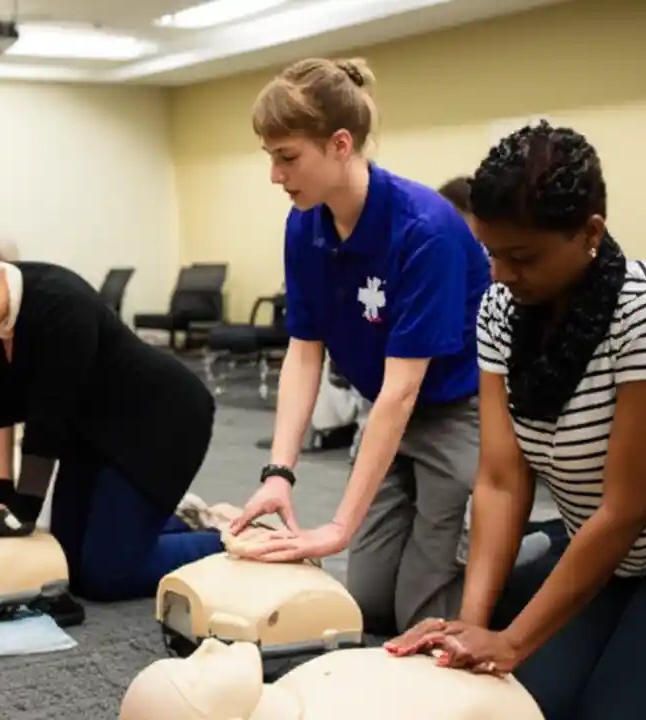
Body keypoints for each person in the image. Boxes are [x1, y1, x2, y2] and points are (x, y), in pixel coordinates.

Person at [385, 122, 646, 720]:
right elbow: (502, 479)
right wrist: (474, 625)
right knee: (531, 704)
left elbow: (626, 509)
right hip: (610, 554)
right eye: (492, 253)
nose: (501, 274)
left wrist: (511, 641)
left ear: (590, 232)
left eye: (522, 256)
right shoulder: (501, 309)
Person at [225, 57, 492, 637]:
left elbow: (404, 390)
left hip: (458, 412)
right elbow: (304, 350)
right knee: (366, 604)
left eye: (287, 156)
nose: (275, 174)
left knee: (423, 619)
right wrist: (280, 472)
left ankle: (522, 547)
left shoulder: (426, 228)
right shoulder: (306, 225)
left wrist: (341, 525)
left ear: (340, 144)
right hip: (389, 415)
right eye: (270, 157)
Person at [0, 230, 225, 601]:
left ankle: (230, 539)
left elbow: (47, 420)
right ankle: (174, 520)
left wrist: (18, 514)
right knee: (65, 561)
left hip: (161, 423)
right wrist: (0, 498)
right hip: (89, 431)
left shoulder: (60, 302)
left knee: (107, 577)